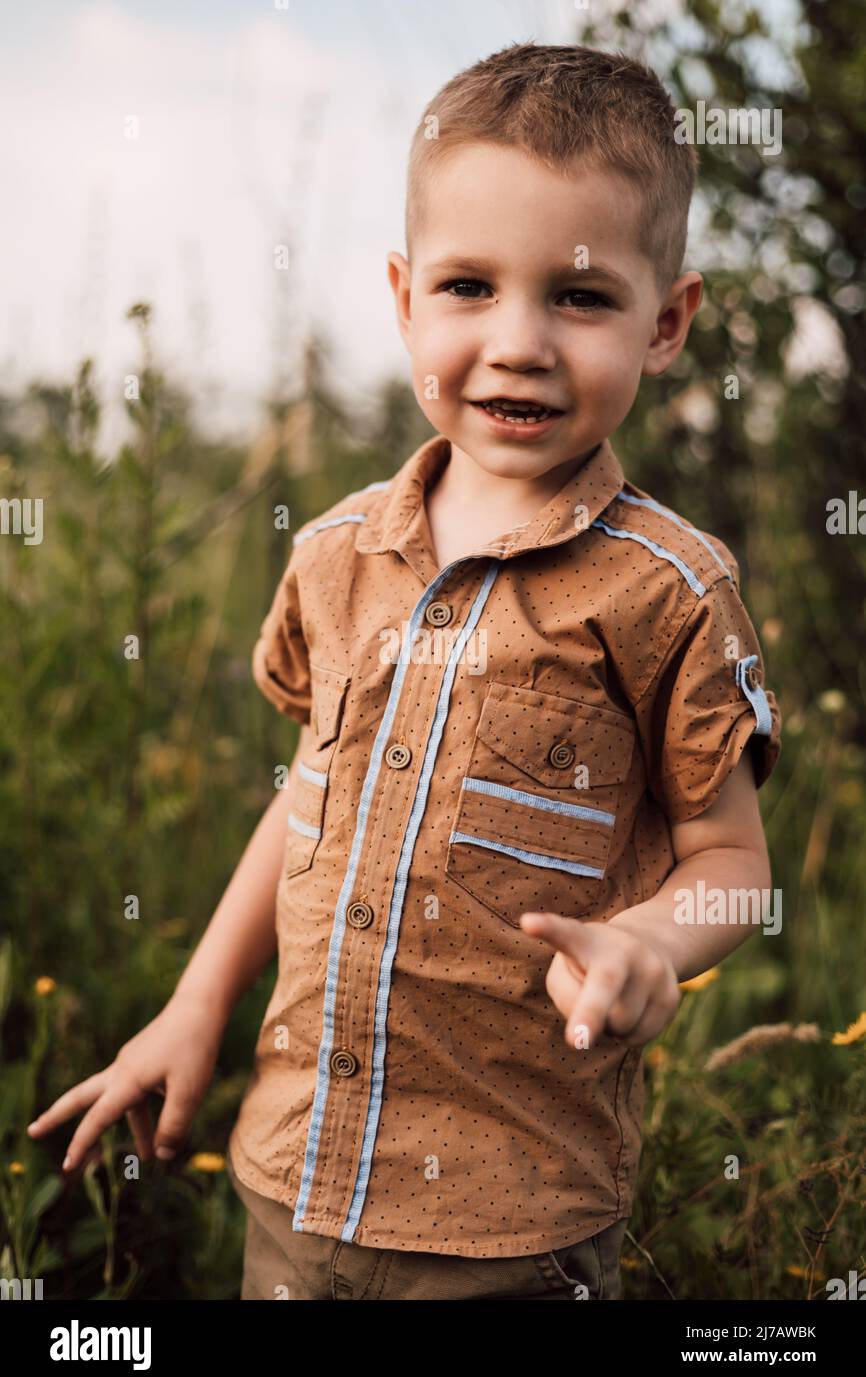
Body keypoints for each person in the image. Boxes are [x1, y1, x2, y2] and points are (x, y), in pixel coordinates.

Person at [27, 41, 782, 1301]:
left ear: (666, 322)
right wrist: (194, 1005)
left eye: (580, 298)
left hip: (510, 1217)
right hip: (292, 1176)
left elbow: (731, 864)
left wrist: (652, 940)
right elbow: (307, 795)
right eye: (469, 287)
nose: (518, 342)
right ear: (402, 298)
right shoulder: (333, 558)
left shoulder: (665, 589)